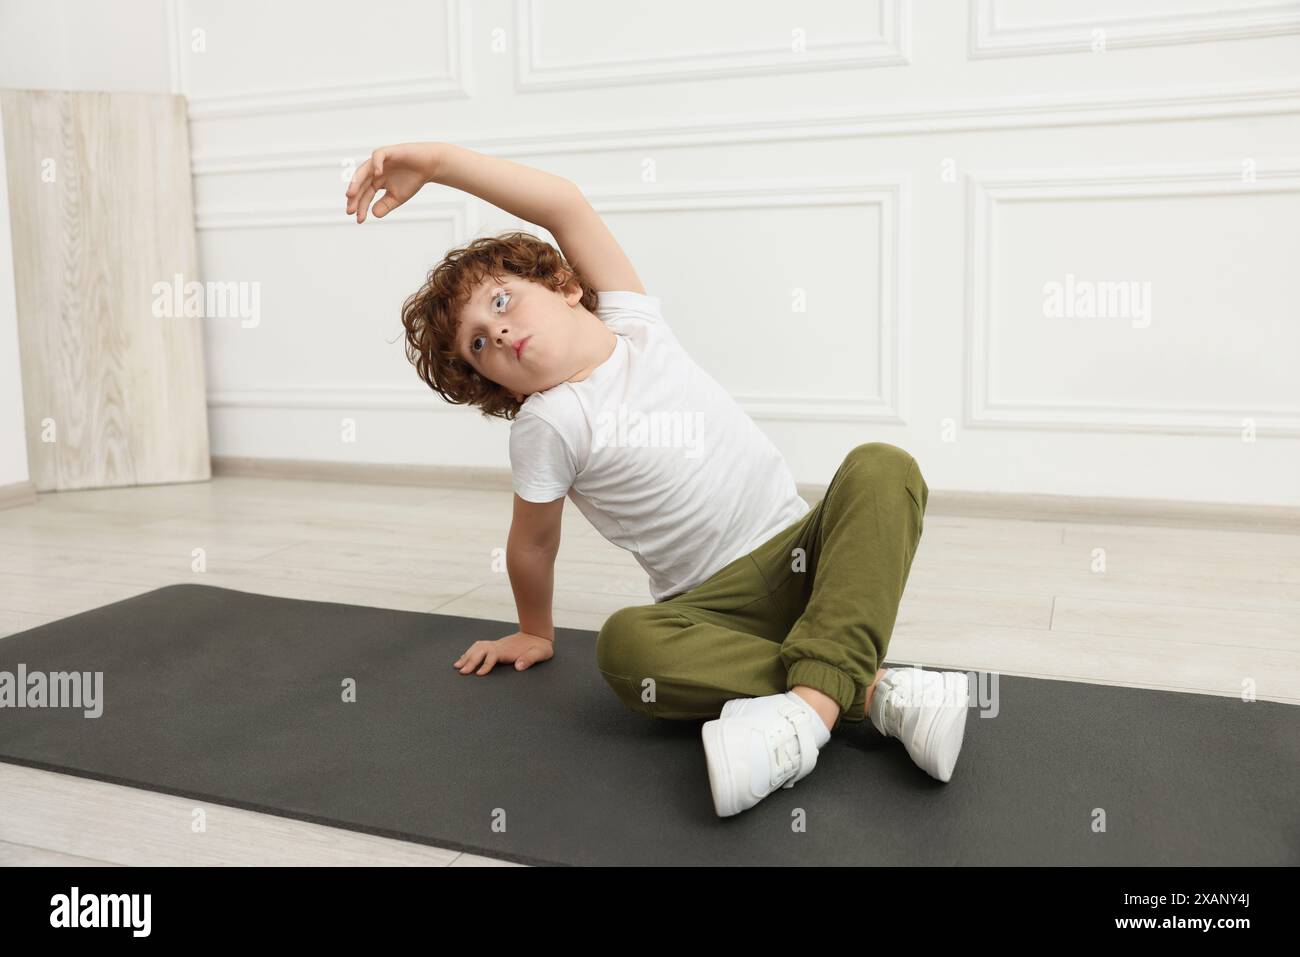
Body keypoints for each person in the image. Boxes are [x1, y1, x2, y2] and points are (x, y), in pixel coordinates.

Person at [345, 141, 970, 818]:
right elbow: (532, 542)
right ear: (489, 380)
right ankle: (877, 692)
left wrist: (438, 164)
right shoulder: (548, 424)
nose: (498, 330)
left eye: (502, 301)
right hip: (708, 609)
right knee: (624, 649)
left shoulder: (634, 322)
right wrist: (535, 630)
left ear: (565, 285)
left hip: (803, 554)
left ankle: (808, 714)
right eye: (478, 344)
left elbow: (562, 203)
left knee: (885, 466)